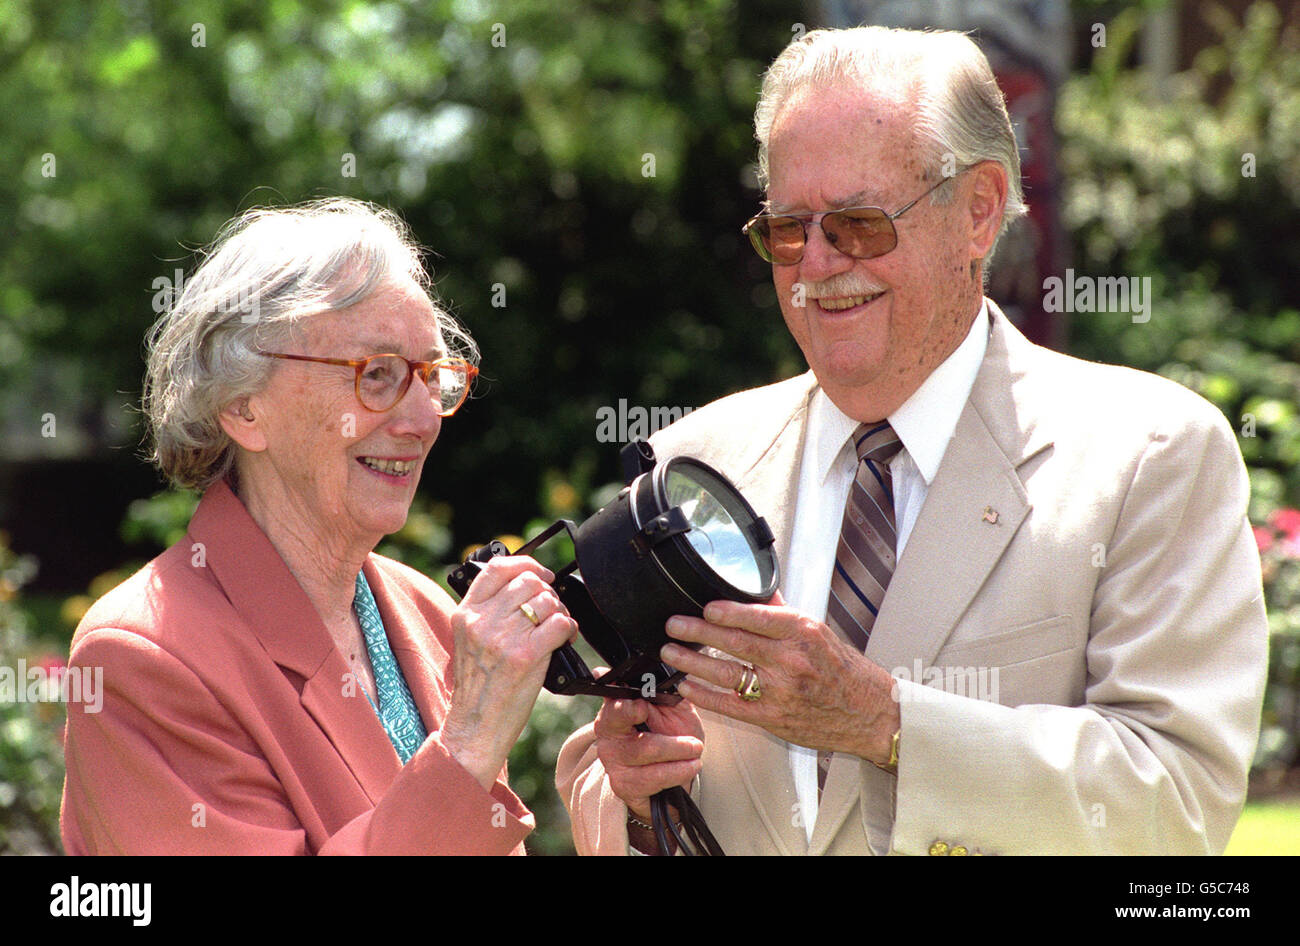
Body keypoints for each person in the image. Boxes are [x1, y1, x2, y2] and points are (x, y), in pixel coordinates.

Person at [556, 26, 1268, 855]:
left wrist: (888, 724)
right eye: (788, 229)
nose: (817, 264)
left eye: (858, 225)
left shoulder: (1151, 454)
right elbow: (601, 777)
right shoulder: (694, 463)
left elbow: (1176, 805)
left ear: (978, 210)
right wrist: (638, 800)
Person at [61, 198, 576, 854]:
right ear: (243, 406)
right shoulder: (140, 657)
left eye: (432, 376)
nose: (421, 419)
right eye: (378, 374)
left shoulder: (425, 609)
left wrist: (632, 805)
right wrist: (469, 745)